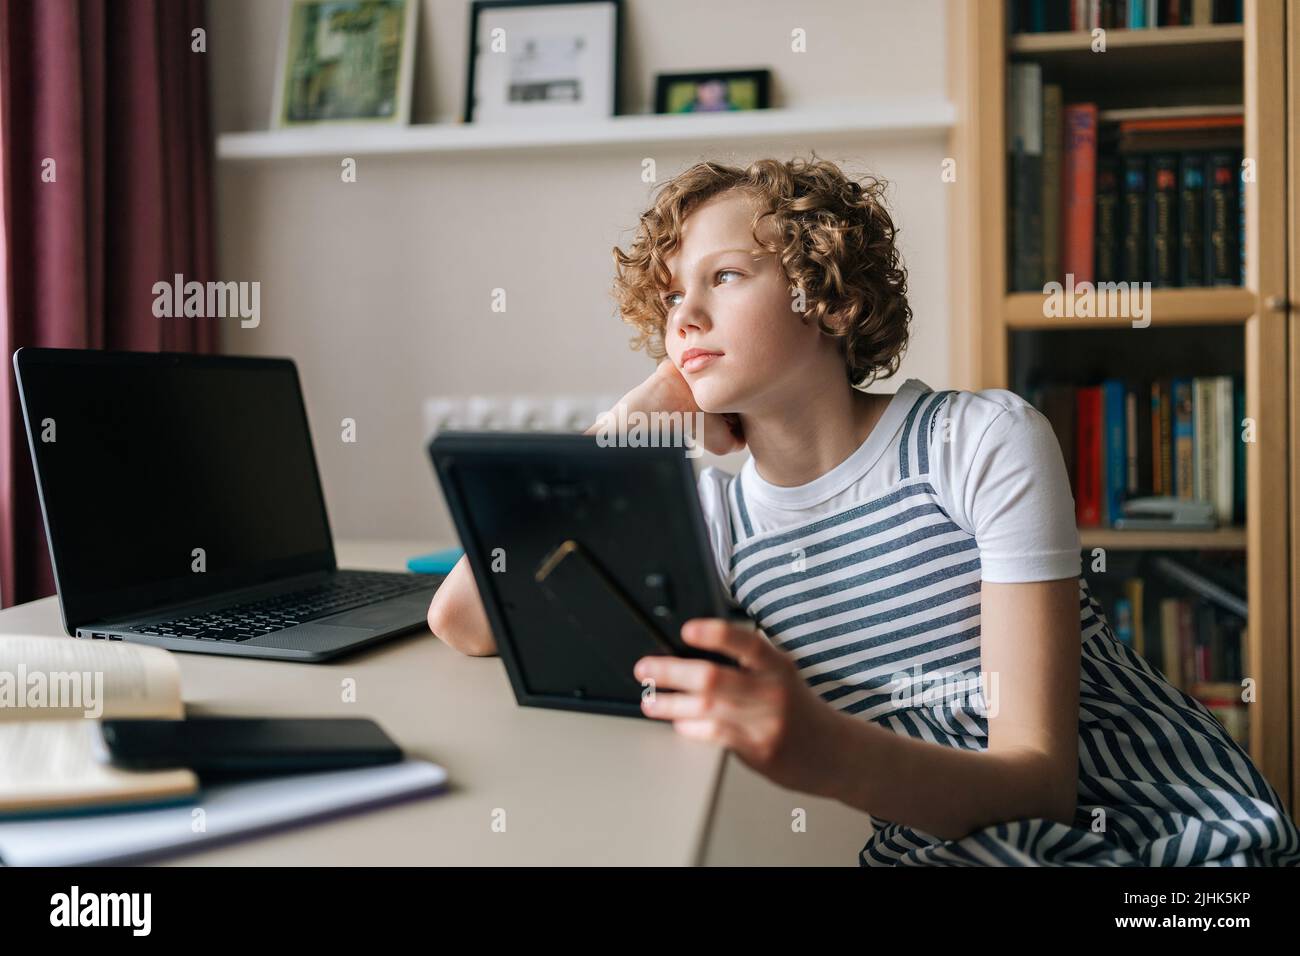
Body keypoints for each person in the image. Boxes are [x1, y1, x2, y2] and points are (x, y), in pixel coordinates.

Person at [427, 155, 1300, 866]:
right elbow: (465, 615)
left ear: (834, 301)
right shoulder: (717, 523)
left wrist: (816, 750)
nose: (684, 315)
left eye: (724, 277)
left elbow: (1039, 785)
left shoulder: (976, 441)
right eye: (668, 300)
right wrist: (642, 409)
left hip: (1171, 845)